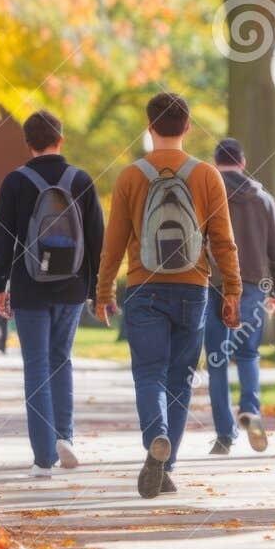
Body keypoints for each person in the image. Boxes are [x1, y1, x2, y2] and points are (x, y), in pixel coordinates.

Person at [94, 92, 241, 499]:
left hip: (144, 288)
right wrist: (232, 290)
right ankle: (166, 463)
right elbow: (223, 242)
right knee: (180, 379)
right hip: (193, 289)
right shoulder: (207, 175)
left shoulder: (130, 176)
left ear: (149, 126)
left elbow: (114, 243)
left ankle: (156, 440)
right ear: (188, 127)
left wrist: (104, 290)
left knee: (149, 373)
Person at [0, 110, 106, 476]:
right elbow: (96, 241)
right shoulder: (82, 180)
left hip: (29, 286)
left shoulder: (15, 182)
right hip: (71, 285)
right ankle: (65, 438)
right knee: (62, 360)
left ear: (28, 144)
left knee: (36, 366)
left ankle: (43, 457)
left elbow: (3, 241)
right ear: (62, 138)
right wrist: (95, 289)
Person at [203, 138, 275, 456]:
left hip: (211, 283)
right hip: (252, 284)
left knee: (216, 360)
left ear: (215, 162)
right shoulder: (262, 199)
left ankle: (225, 435)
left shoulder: (206, 193)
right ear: (242, 162)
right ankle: (251, 409)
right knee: (249, 353)